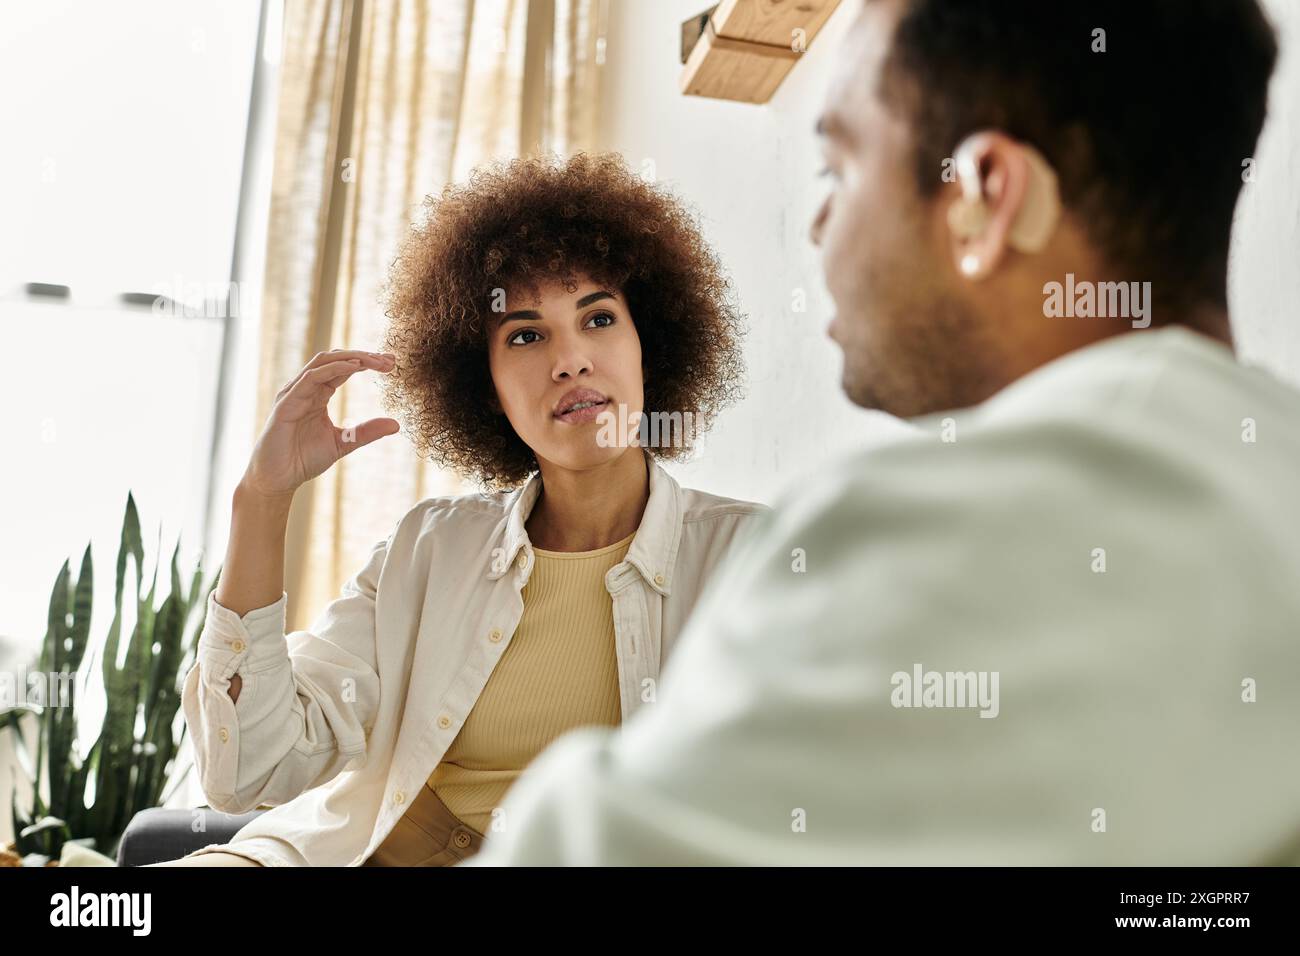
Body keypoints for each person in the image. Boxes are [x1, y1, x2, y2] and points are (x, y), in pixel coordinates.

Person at [462, 0, 1300, 865]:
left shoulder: (935, 528)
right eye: (525, 335)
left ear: (986, 200)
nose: (820, 225)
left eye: (837, 168)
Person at [150, 152, 766, 866]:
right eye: (527, 334)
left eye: (598, 317)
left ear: (647, 346)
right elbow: (249, 769)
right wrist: (261, 501)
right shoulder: (429, 547)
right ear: (486, 388)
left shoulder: (749, 557)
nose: (570, 360)